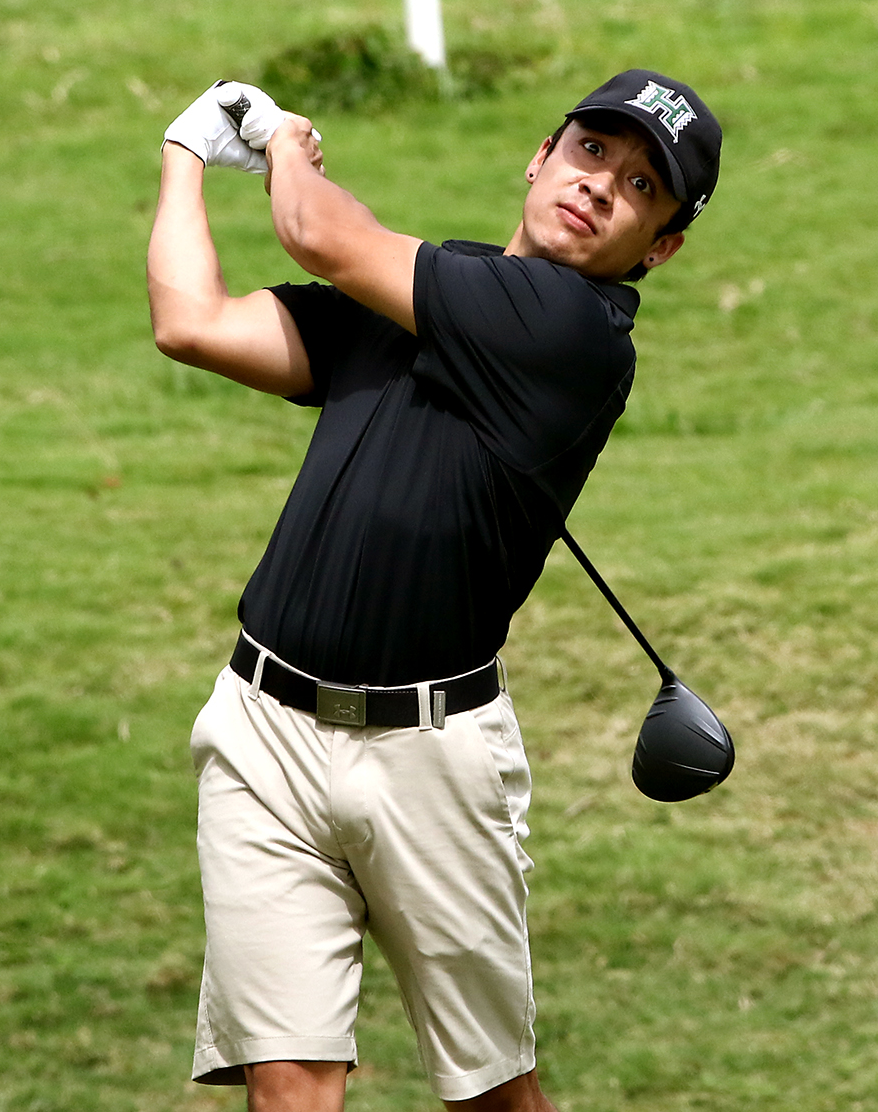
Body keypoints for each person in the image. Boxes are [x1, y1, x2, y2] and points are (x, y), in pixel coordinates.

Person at [145, 69, 722, 1112]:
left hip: (430, 759)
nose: (599, 186)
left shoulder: (569, 333)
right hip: (263, 733)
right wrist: (183, 158)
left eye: (640, 188)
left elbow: (319, 236)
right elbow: (191, 323)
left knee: (490, 1096)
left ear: (659, 248)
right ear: (540, 155)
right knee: (288, 1085)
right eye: (591, 152)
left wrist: (284, 141)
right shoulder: (420, 292)